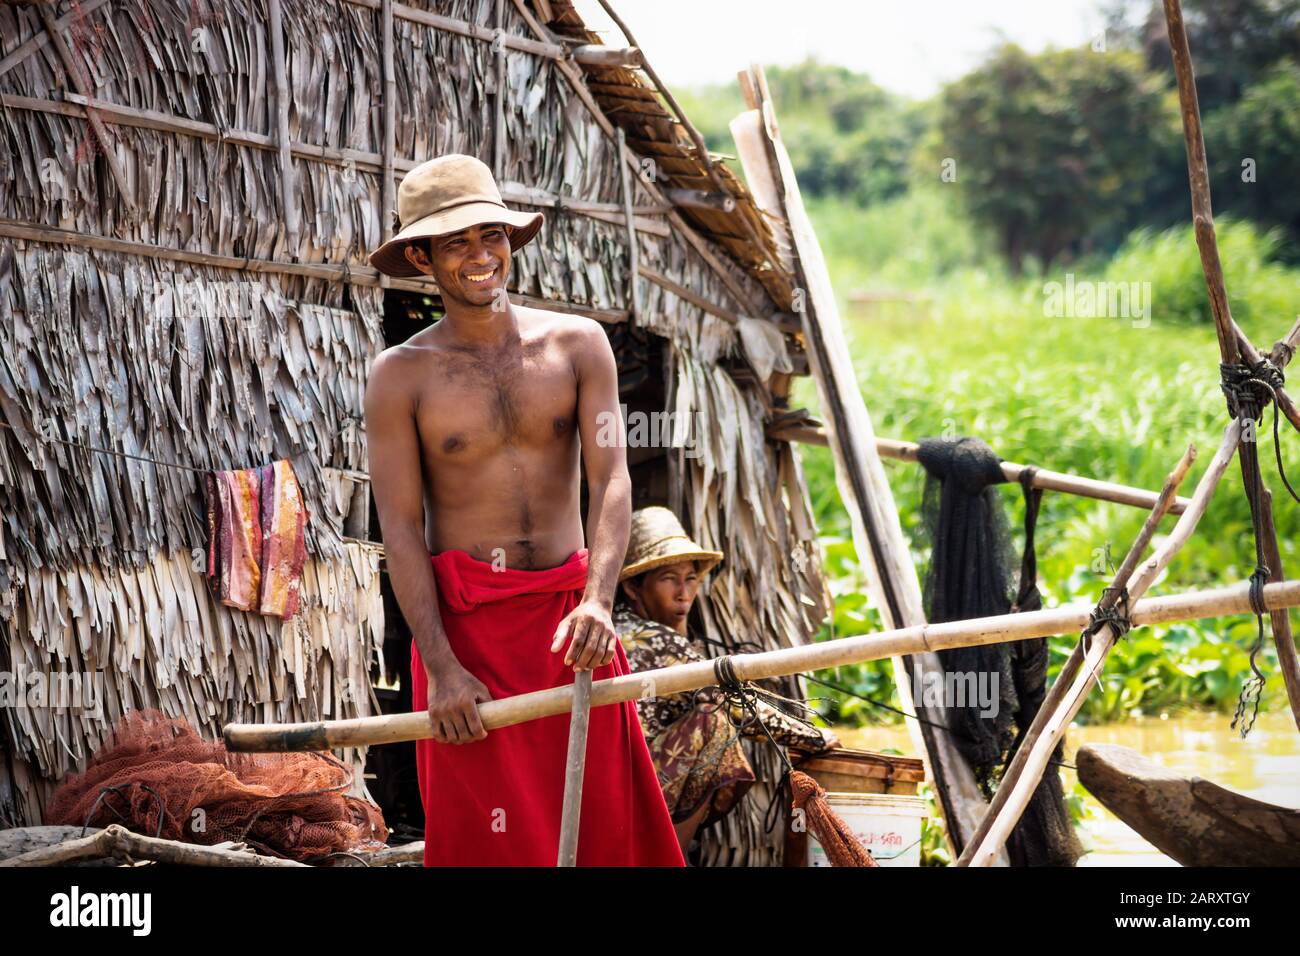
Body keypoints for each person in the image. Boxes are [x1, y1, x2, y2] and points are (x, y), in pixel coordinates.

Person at [364, 154, 683, 866]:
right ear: (421, 257)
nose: (482, 257)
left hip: (575, 628)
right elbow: (402, 529)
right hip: (469, 640)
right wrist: (441, 665)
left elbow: (612, 483)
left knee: (604, 827)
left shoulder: (578, 346)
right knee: (491, 842)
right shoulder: (400, 378)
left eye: (492, 237)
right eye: (457, 244)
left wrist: (599, 602)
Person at [614, 506, 838, 855]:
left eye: (690, 579)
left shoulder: (618, 631)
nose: (683, 593)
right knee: (713, 720)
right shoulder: (656, 640)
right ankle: (668, 856)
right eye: (668, 578)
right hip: (628, 789)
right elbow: (736, 705)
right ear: (632, 587)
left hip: (611, 786)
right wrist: (815, 736)